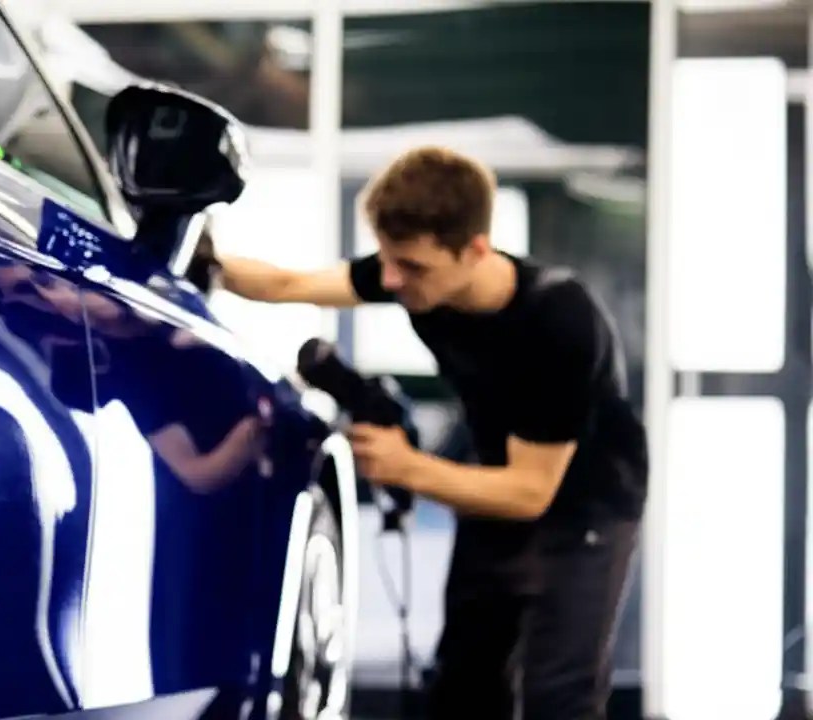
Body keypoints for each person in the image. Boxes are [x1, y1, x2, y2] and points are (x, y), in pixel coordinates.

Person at [214, 145, 648, 720]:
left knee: (556, 696)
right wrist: (201, 257)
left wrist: (406, 467)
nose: (391, 279)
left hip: (585, 510)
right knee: (465, 685)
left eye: (412, 266)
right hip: (495, 488)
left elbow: (531, 492)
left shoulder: (559, 322)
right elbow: (287, 283)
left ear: (475, 249)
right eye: (388, 260)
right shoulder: (413, 276)